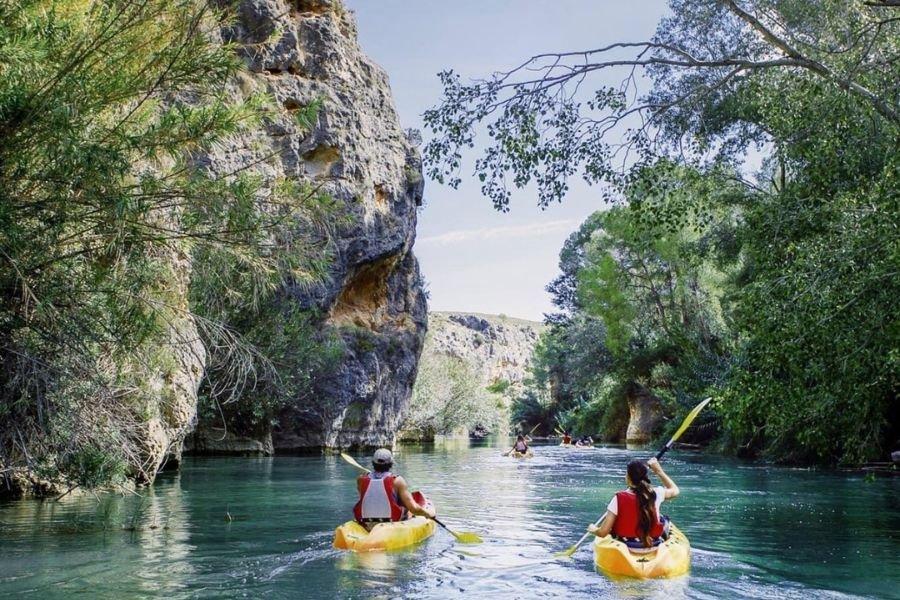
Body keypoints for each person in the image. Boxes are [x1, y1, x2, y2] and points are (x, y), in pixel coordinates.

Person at [587, 457, 679, 552]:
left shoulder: (618, 498)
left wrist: (593, 529)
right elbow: (675, 490)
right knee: (663, 520)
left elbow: (603, 533)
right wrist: (659, 471)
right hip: (654, 544)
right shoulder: (656, 493)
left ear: (628, 477)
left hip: (627, 546)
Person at [353, 448, 435, 530]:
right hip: (391, 521)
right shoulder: (397, 481)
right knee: (407, 508)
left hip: (365, 521)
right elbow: (414, 509)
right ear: (391, 464)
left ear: (373, 463)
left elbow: (371, 498)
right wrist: (428, 514)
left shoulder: (360, 480)